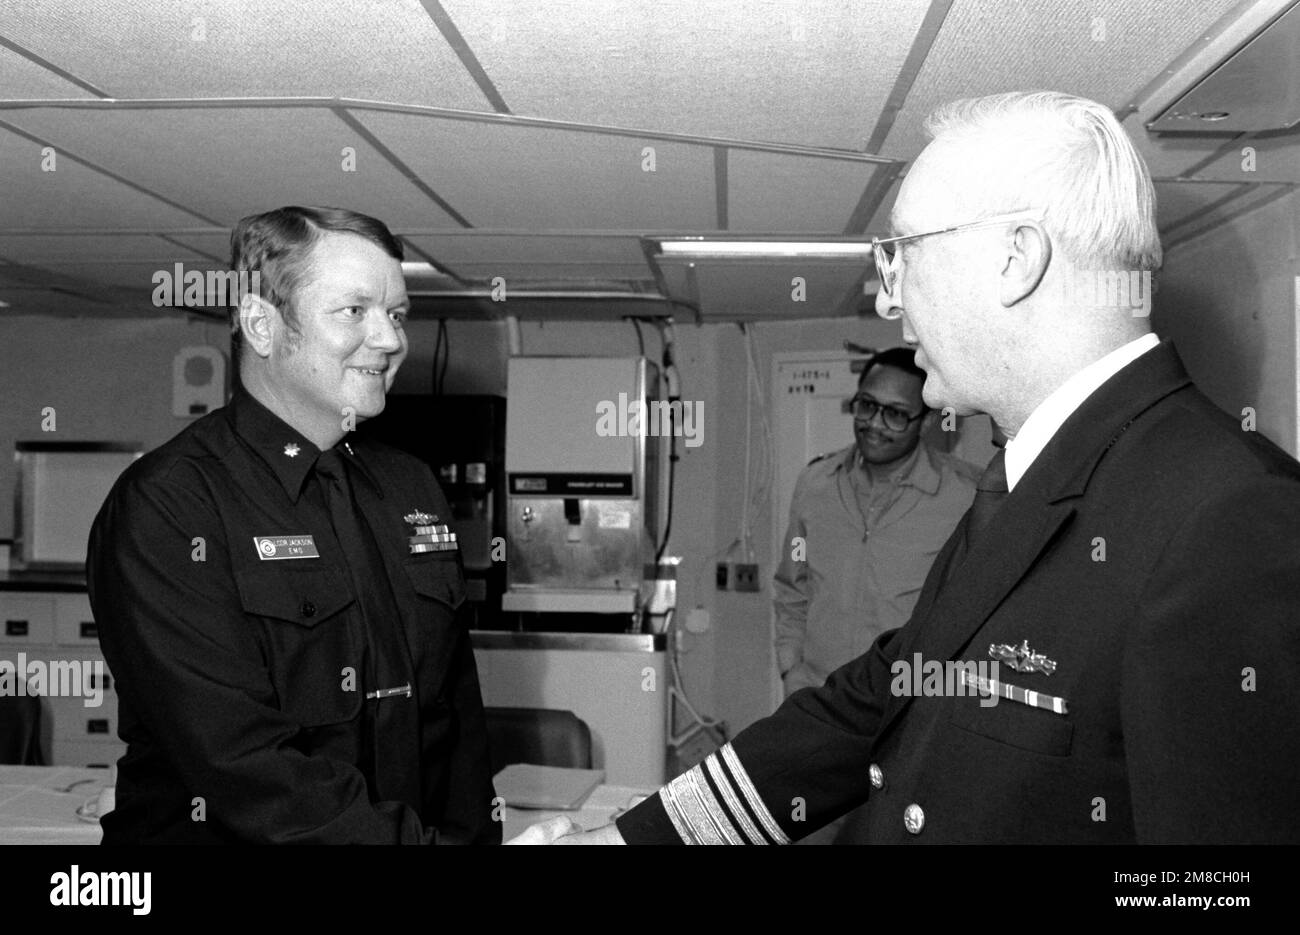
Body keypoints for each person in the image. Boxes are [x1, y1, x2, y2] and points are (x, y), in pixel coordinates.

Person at [513, 90, 1300, 845]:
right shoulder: (1022, 482)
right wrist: (632, 837)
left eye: (903, 256)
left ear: (1014, 258)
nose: (888, 300)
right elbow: (879, 702)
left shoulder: (1232, 516)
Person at [87, 206, 498, 844]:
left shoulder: (409, 487)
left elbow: (454, 720)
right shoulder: (171, 507)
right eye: (354, 311)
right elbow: (241, 765)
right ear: (261, 324)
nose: (390, 340)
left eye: (396, 314)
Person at [773, 346, 977, 699]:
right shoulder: (815, 483)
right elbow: (793, 587)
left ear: (926, 421)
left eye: (896, 414)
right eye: (867, 405)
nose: (875, 424)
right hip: (818, 697)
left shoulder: (965, 495)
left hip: (908, 706)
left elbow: (975, 609)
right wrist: (791, 669)